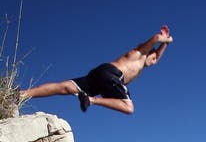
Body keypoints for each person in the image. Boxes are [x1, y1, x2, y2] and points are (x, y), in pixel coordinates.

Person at [19, 25, 173, 115]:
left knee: (65, 87)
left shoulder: (143, 62)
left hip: (101, 75)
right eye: (153, 57)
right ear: (149, 52)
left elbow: (157, 57)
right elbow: (156, 39)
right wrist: (165, 38)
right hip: (112, 74)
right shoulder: (139, 52)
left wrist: (166, 45)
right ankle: (91, 100)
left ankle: (22, 94)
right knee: (128, 107)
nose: (154, 61)